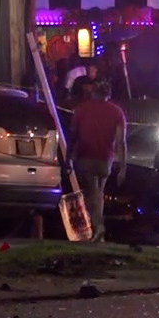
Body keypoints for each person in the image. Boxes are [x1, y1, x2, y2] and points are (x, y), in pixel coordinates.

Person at [68, 79, 126, 242]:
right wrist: (123, 167)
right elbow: (121, 142)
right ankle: (97, 235)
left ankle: (98, 226)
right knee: (98, 193)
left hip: (86, 156)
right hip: (106, 159)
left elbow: (73, 136)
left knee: (91, 193)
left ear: (93, 92)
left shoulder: (82, 109)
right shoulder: (117, 112)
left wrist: (68, 156)